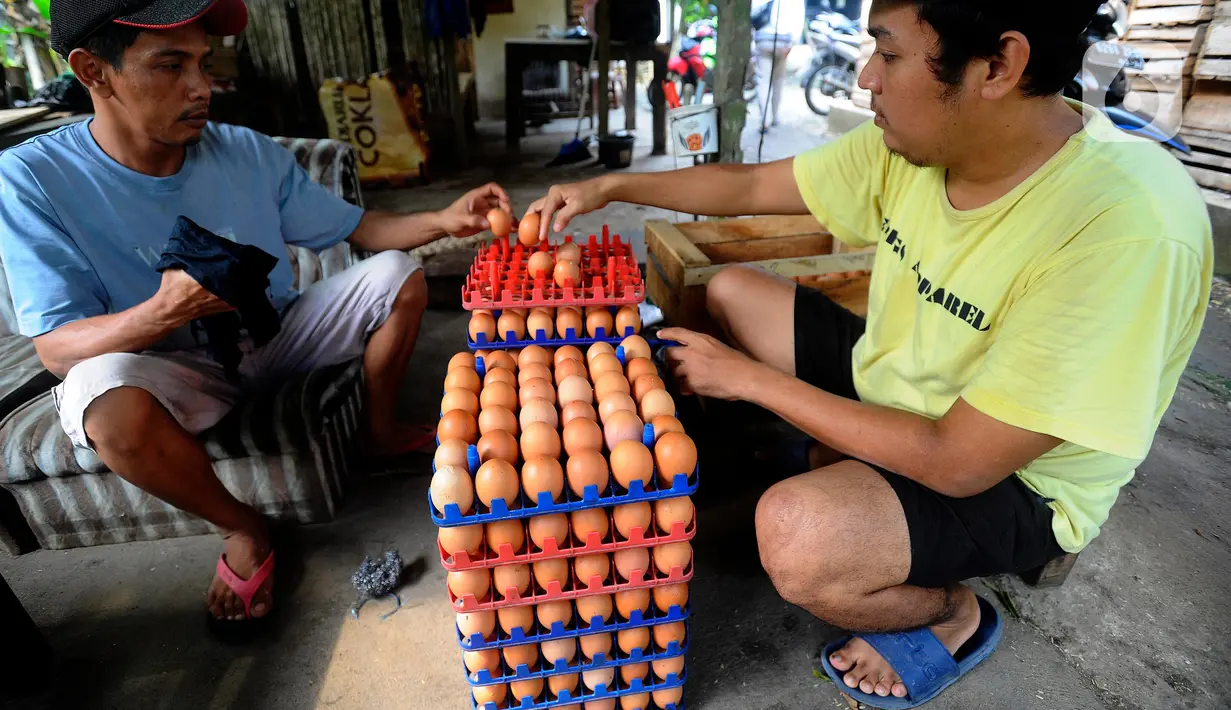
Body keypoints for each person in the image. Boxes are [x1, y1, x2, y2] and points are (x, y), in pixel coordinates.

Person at [528, 0, 1212, 704]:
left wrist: (751, 382)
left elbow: (956, 460)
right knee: (731, 288)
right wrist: (606, 185)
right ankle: (838, 461)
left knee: (794, 538)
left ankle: (951, 614)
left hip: (1011, 479)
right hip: (896, 381)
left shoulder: (1122, 227)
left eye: (887, 55)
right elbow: (752, 186)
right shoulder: (924, 143)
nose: (864, 78)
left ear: (997, 66)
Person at [0, 0, 511, 631]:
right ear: (93, 71)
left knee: (395, 273)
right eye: (170, 65)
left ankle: (376, 431)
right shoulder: (34, 178)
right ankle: (244, 528)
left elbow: (358, 228)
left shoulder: (245, 151)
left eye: (203, 63)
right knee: (98, 397)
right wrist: (163, 311)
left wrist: (443, 220)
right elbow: (57, 346)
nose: (201, 88)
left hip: (277, 335)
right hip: (175, 371)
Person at [753, 0, 806, 129]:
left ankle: (765, 120)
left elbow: (753, 15)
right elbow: (799, 18)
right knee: (778, 81)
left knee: (764, 81)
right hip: (783, 41)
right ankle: (775, 116)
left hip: (763, 39)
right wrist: (792, 43)